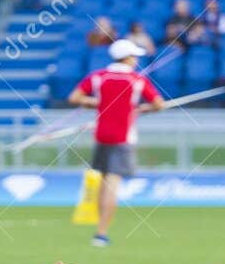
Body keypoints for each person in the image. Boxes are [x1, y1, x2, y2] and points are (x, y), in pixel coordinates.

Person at [67, 38, 166, 248]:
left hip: (101, 136)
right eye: (134, 56)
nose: (136, 60)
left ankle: (100, 229)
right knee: (112, 185)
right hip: (123, 139)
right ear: (127, 57)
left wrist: (95, 102)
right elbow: (159, 104)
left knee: (104, 182)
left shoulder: (99, 77)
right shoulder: (136, 80)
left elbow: (75, 97)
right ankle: (101, 233)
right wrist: (143, 109)